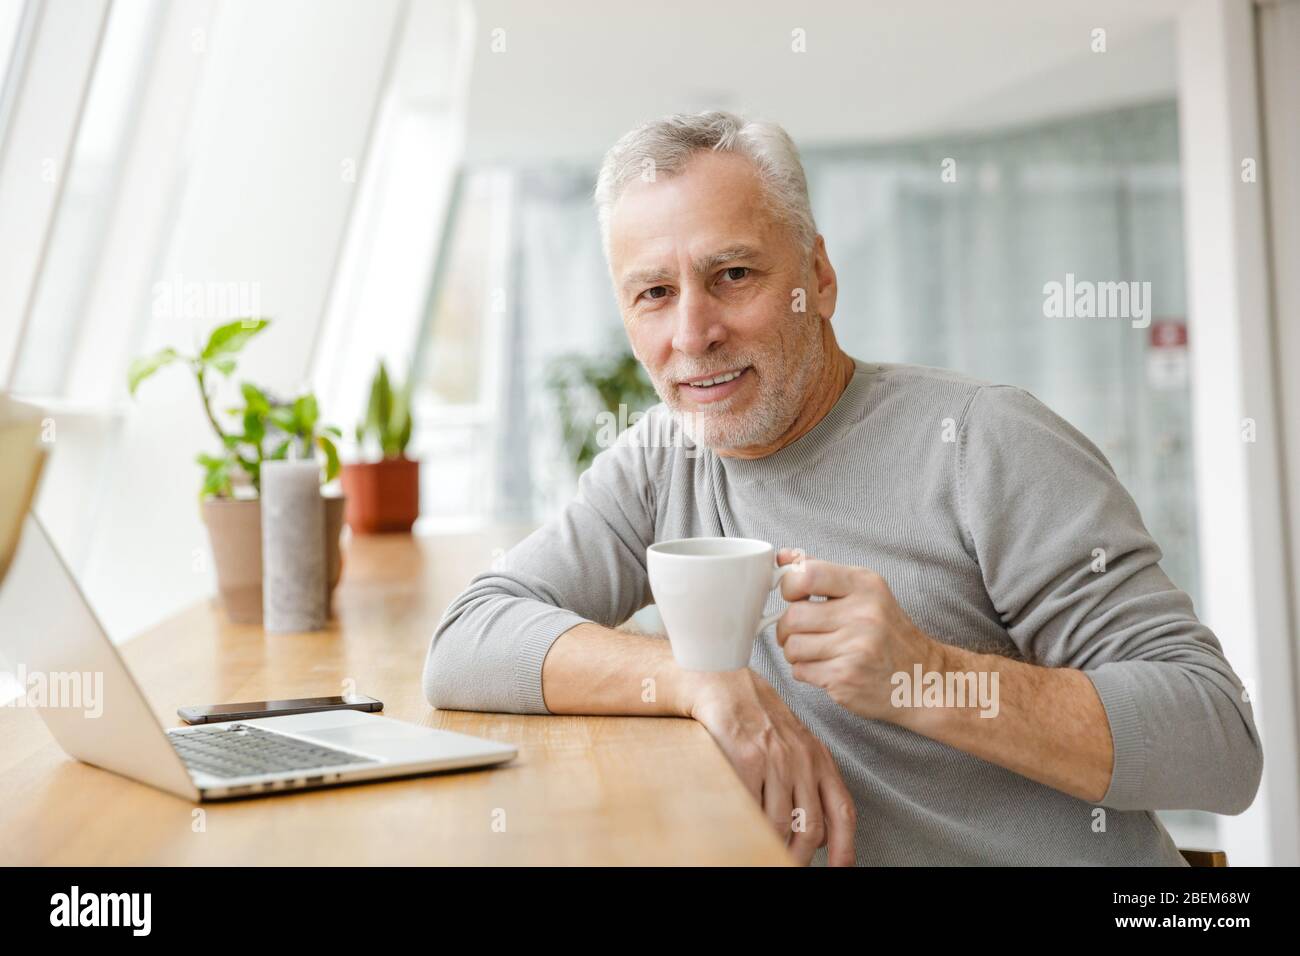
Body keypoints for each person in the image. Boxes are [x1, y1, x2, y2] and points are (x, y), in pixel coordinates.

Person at [422, 110, 1262, 865]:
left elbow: (1218, 742)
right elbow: (468, 640)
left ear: (818, 278)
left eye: (734, 275)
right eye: (654, 294)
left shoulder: (984, 444)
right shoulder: (658, 462)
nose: (693, 334)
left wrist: (927, 677)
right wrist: (698, 681)